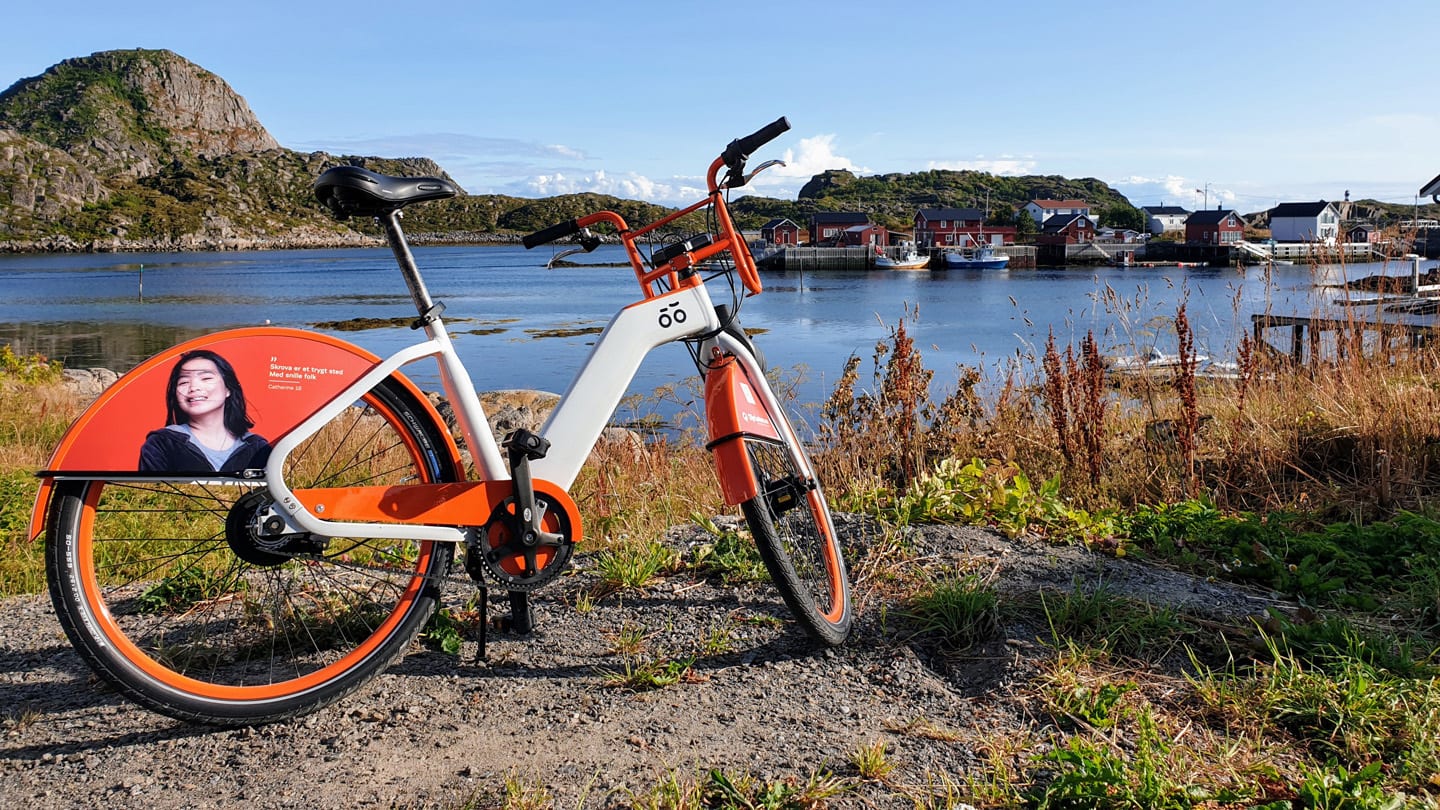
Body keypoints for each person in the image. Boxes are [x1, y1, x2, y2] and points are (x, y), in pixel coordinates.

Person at [138, 349, 271, 473]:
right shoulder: (163, 443)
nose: (193, 387)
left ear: (228, 389)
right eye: (183, 382)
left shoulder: (257, 448)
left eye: (206, 378)